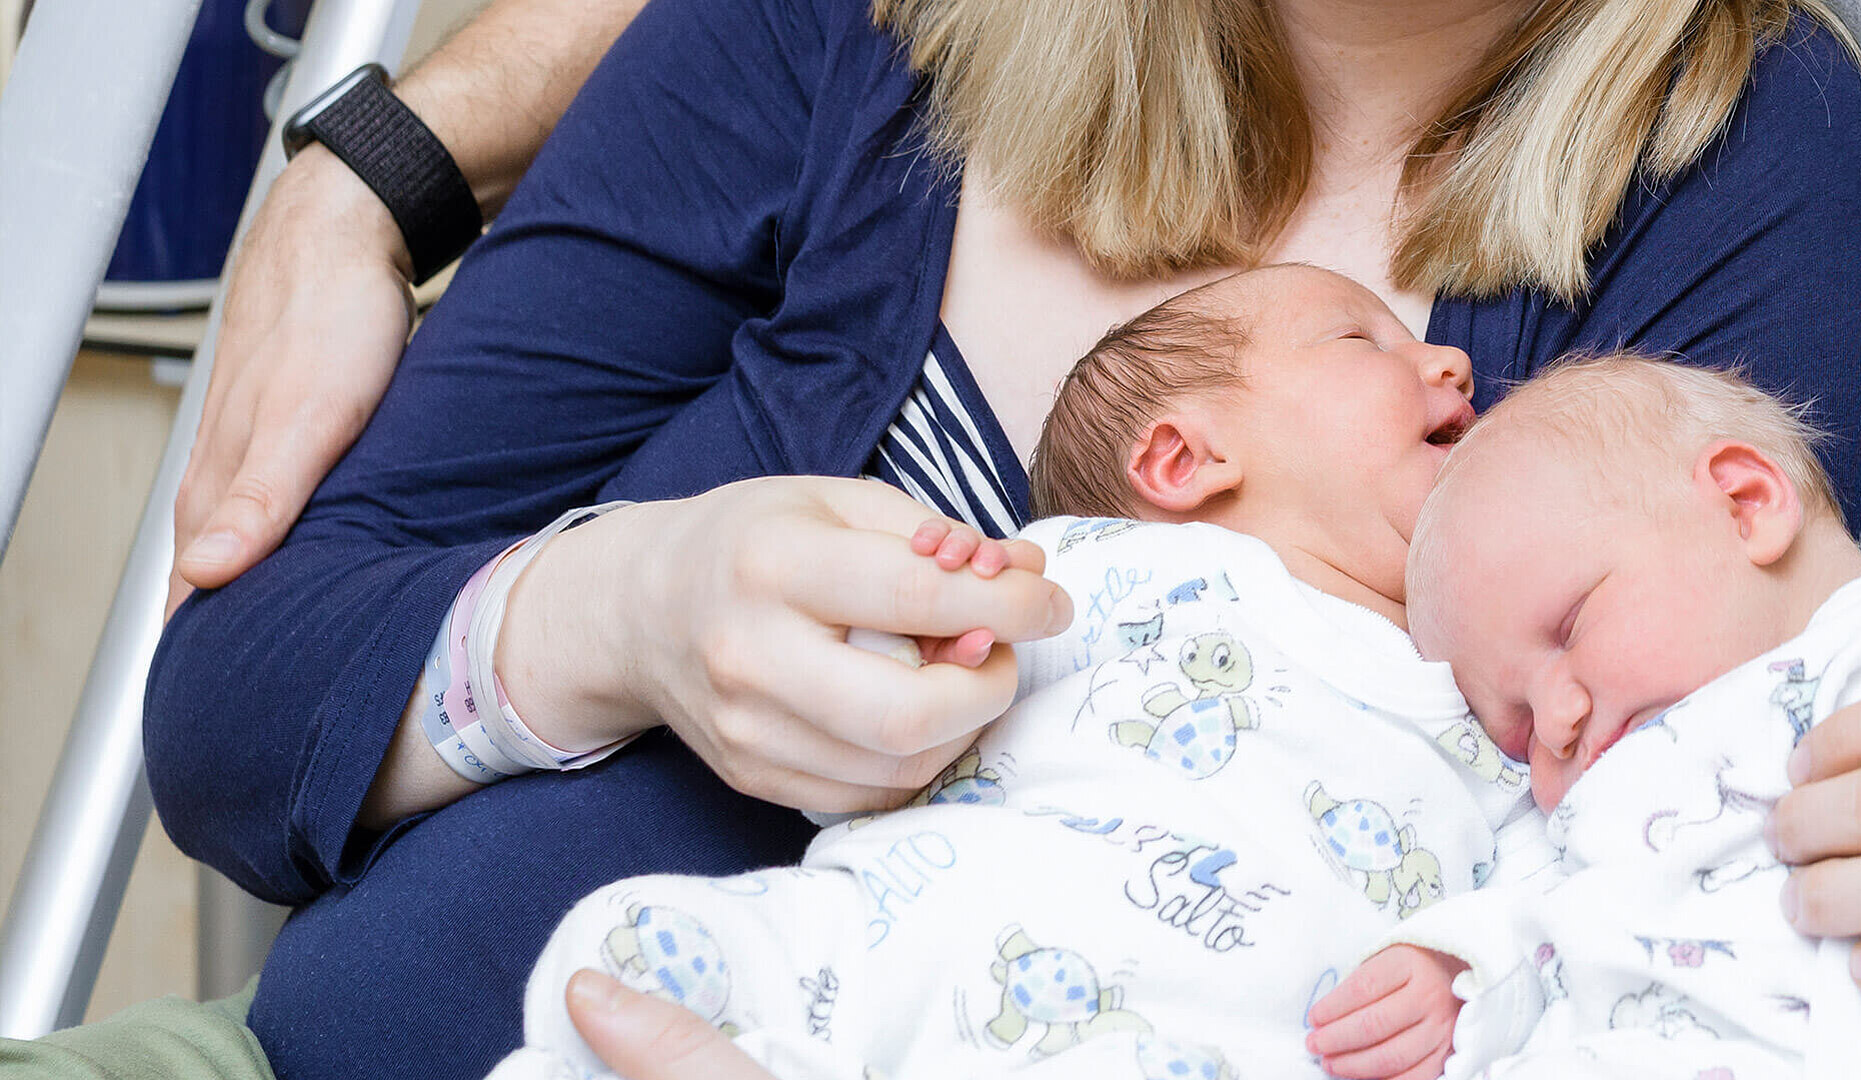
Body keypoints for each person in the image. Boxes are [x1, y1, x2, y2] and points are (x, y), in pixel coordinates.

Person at [141, 2, 1861, 1078]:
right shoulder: (853, 42)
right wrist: (618, 613)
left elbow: (1737, 905)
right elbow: (235, 712)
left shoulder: (1732, 147)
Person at [490, 264, 1529, 1079]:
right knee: (635, 951)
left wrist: (1473, 963)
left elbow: (1569, 890)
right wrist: (913, 631)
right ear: (1183, 461)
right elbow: (861, 723)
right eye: (1363, 342)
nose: (1454, 364)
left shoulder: (1505, 697)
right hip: (904, 946)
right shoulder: (1083, 576)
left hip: (1200, 1042)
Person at [1306, 357, 1861, 1079]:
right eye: (1519, 733)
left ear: (1743, 504)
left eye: (1571, 628)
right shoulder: (1581, 805)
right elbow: (1530, 908)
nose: (1556, 722)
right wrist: (1462, 971)